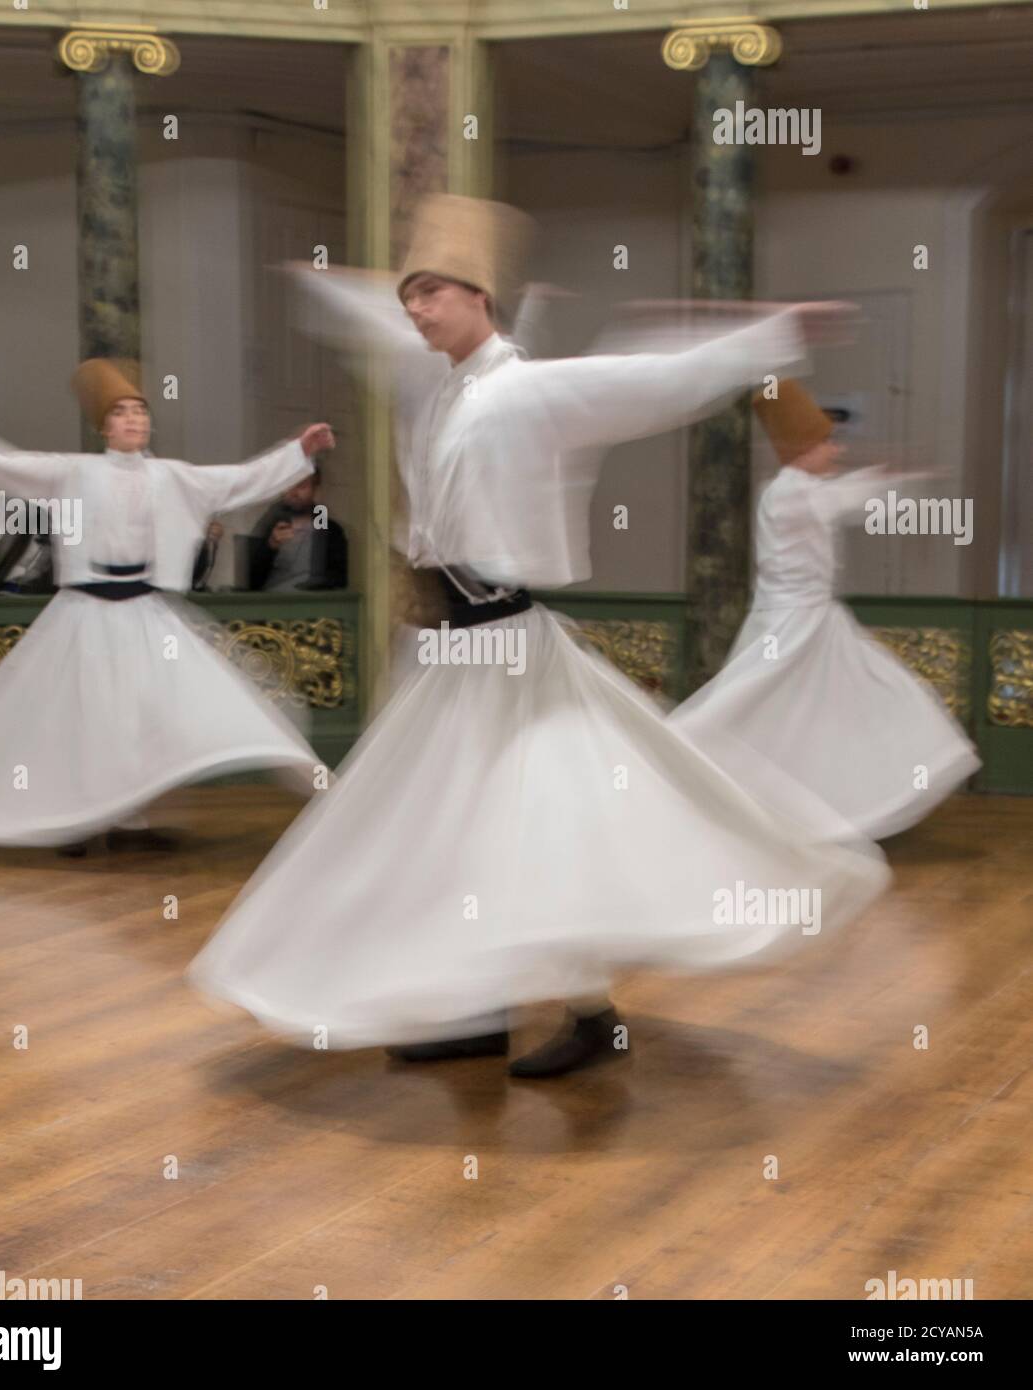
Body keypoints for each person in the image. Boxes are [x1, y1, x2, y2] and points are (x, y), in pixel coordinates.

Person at [190, 194, 889, 1079]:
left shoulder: (530, 387)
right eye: (409, 295)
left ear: (479, 297)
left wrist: (774, 332)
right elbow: (377, 321)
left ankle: (590, 1012)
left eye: (432, 293)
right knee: (447, 832)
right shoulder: (434, 385)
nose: (414, 309)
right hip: (448, 652)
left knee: (546, 826)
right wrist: (326, 286)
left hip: (508, 649)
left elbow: (654, 380)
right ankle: (475, 1008)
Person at [0, 359, 335, 852]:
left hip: (144, 611)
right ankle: (75, 820)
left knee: (143, 717)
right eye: (121, 412)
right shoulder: (72, 472)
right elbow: (9, 466)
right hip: (84, 612)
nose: (134, 419)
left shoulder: (172, 476)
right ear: (104, 426)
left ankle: (131, 822)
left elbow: (237, 480)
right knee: (83, 719)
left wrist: (297, 452)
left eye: (140, 411)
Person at [672, 379, 981, 838]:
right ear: (802, 450)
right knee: (760, 708)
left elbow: (844, 494)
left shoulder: (791, 488)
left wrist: (892, 478)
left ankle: (818, 808)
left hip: (810, 621)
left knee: (825, 712)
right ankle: (681, 766)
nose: (835, 452)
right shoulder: (793, 492)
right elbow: (846, 499)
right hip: (795, 626)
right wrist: (898, 479)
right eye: (826, 443)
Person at [248, 469, 348, 592]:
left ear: (315, 490)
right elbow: (249, 582)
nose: (293, 492)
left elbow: (339, 580)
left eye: (302, 486)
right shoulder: (269, 525)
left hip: (314, 606)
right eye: (288, 485)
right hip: (271, 605)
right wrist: (270, 547)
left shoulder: (330, 531)